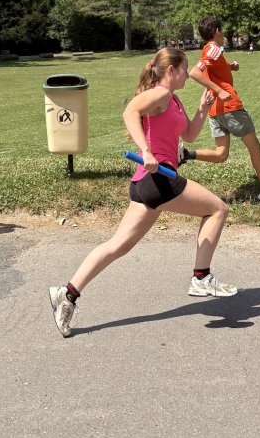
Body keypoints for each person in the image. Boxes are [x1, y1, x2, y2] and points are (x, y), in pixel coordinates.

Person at [49, 48, 236, 338]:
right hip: (158, 177)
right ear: (171, 71)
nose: (188, 74)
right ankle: (201, 277)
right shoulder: (160, 94)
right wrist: (146, 150)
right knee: (217, 209)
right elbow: (130, 111)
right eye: (185, 69)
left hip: (146, 184)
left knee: (118, 246)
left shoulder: (173, 100)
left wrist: (202, 108)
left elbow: (187, 135)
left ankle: (68, 293)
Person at [181, 16, 260, 204]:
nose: (223, 35)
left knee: (222, 154)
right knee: (254, 146)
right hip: (229, 107)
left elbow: (211, 70)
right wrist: (220, 90)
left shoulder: (210, 51)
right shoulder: (213, 48)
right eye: (221, 31)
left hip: (215, 111)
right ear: (216, 31)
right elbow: (194, 73)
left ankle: (186, 154)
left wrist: (228, 67)